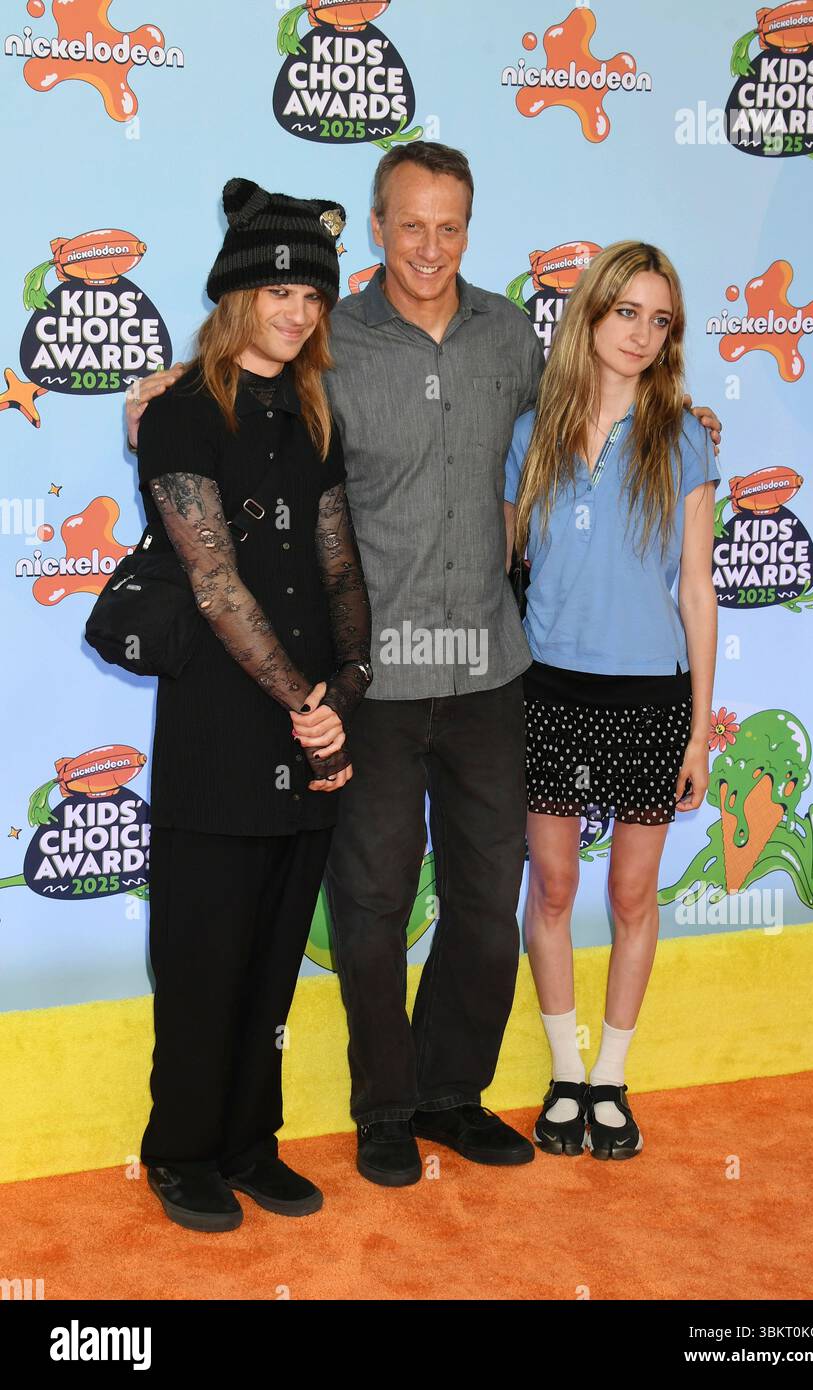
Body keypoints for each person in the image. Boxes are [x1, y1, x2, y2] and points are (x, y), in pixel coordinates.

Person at [127, 143, 721, 1191]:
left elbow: (590, 408)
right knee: (371, 900)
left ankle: (452, 1092)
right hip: (376, 675)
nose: (429, 247)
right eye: (409, 224)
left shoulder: (510, 337)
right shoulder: (328, 340)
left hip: (495, 668)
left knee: (491, 898)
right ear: (375, 224)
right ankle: (385, 1109)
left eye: (449, 226)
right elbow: (242, 388)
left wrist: (686, 419)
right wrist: (169, 387)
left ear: (468, 230)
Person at [132, 178, 372, 1231]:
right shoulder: (180, 414)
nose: (297, 308)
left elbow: (341, 568)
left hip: (310, 730)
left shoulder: (312, 416)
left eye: (312, 294)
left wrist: (345, 693)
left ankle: (247, 1141)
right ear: (237, 294)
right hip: (220, 732)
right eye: (279, 288)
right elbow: (215, 582)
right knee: (203, 957)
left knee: (273, 960)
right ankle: (179, 1150)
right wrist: (301, 701)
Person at [504, 240, 719, 1161]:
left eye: (658, 318)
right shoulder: (531, 432)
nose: (639, 332)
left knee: (633, 894)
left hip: (649, 698)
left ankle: (610, 1082)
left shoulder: (685, 436)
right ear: (589, 314)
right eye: (625, 311)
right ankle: (563, 1073)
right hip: (546, 686)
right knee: (551, 888)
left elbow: (697, 589)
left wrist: (699, 734)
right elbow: (499, 558)